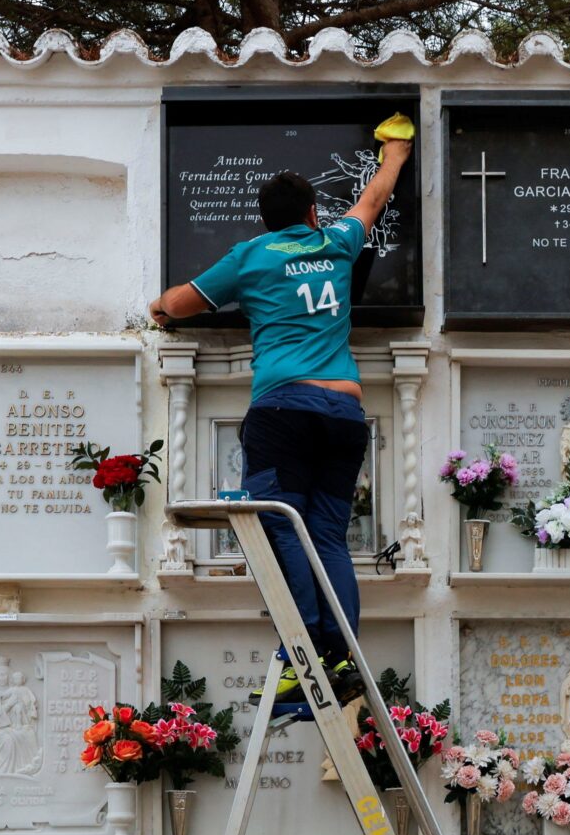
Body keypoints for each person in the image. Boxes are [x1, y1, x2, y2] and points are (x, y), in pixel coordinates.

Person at [150, 124, 413, 720]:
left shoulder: (250, 257)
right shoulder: (338, 241)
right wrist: (395, 153)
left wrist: (157, 310)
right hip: (345, 412)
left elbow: (178, 302)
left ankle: (307, 651)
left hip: (282, 410)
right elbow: (371, 200)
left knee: (278, 527)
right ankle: (339, 654)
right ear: (314, 212)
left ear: (265, 220)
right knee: (327, 535)